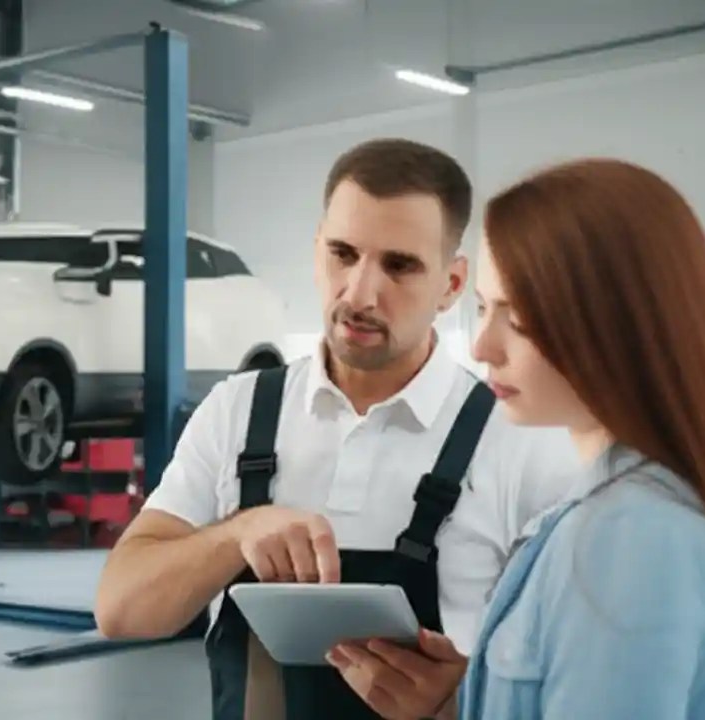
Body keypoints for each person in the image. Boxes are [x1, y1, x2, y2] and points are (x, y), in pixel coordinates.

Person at [93, 138, 583, 720]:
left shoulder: (518, 440)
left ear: (452, 285)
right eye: (343, 254)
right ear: (316, 250)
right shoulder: (238, 412)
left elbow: (585, 684)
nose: (359, 293)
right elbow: (120, 609)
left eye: (399, 265)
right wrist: (235, 534)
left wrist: (458, 706)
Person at [425, 158, 705, 719]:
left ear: (617, 321)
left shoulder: (628, 536)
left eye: (520, 316)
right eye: (484, 309)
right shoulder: (629, 513)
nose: (482, 346)